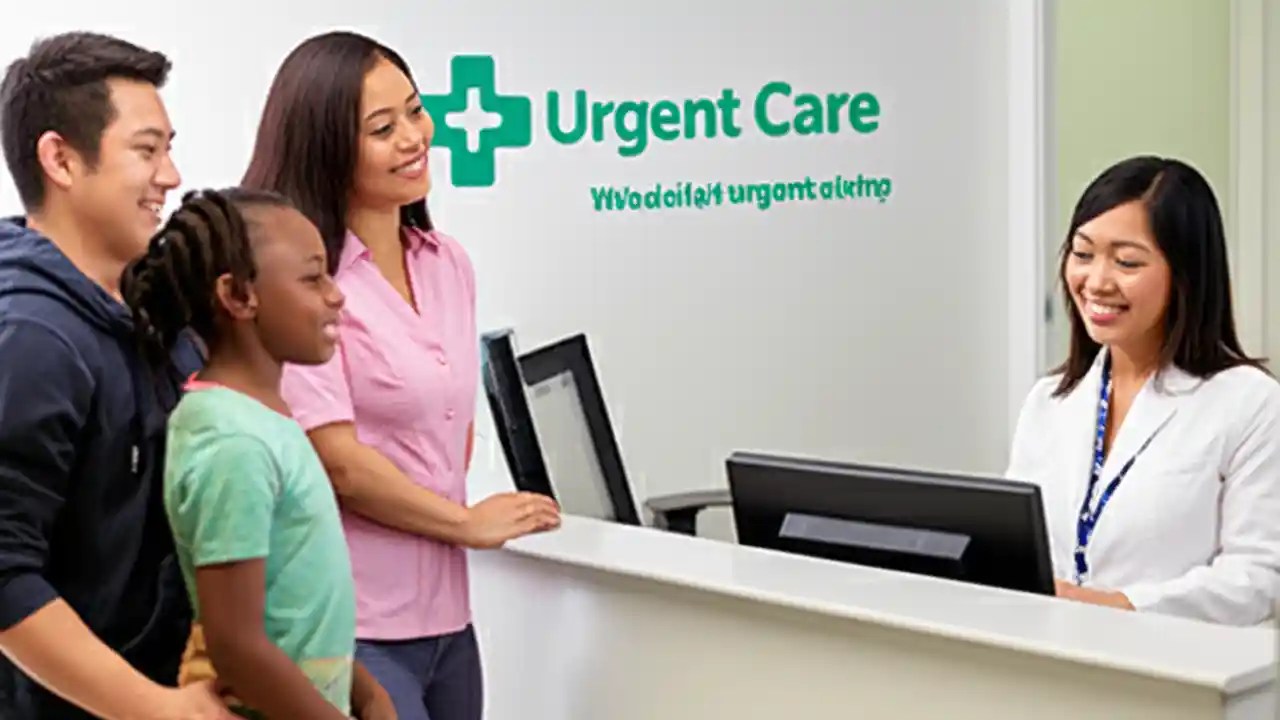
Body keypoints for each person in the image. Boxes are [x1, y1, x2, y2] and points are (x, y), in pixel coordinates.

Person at [241, 31, 561, 719]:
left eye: (415, 111)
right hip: (351, 627)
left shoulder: (447, 263)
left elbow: (450, 432)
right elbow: (340, 466)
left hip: (448, 621)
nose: (415, 136)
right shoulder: (304, 285)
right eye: (383, 128)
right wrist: (463, 523)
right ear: (326, 148)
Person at [0, 32, 233, 718]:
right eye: (147, 150)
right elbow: (4, 575)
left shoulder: (154, 315)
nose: (170, 174)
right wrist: (152, 708)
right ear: (61, 159)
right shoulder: (32, 343)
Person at [121, 186, 396, 719]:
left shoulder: (263, 418)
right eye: (312, 277)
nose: (335, 295)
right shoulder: (232, 443)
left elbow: (293, 609)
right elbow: (237, 647)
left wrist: (363, 689)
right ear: (239, 296)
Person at [1006, 155, 1280, 626]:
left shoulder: (1250, 403)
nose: (1096, 282)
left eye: (1127, 261)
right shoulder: (1050, 399)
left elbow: (1258, 578)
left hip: (1177, 678)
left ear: (1185, 275)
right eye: (1083, 254)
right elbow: (1012, 546)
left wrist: (1116, 606)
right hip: (1050, 666)